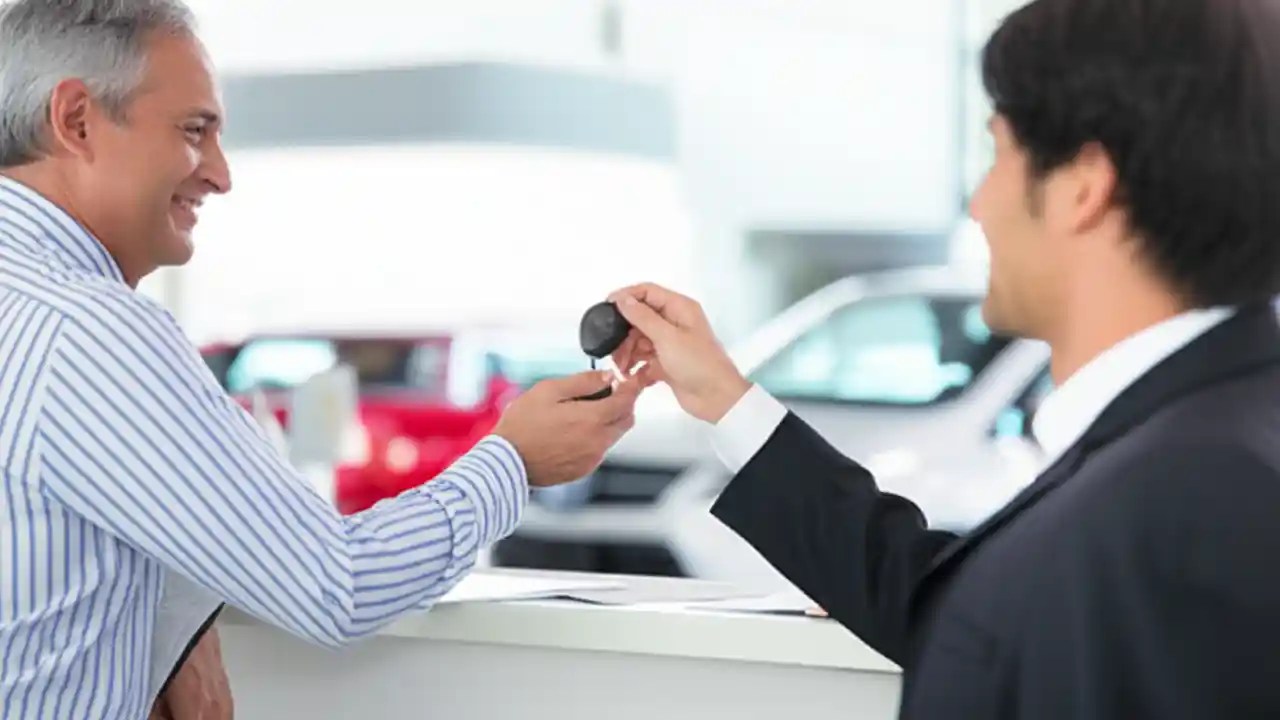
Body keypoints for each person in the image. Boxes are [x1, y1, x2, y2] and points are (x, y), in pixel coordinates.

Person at [608, 0, 1280, 717]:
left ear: (1085, 186)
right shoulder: (1200, 435)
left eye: (998, 153)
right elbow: (962, 605)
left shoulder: (1195, 500)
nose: (979, 205)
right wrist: (728, 402)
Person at [0, 1, 640, 718]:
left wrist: (177, 606)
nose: (220, 174)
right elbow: (335, 585)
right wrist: (514, 462)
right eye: (194, 131)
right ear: (77, 120)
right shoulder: (89, 332)